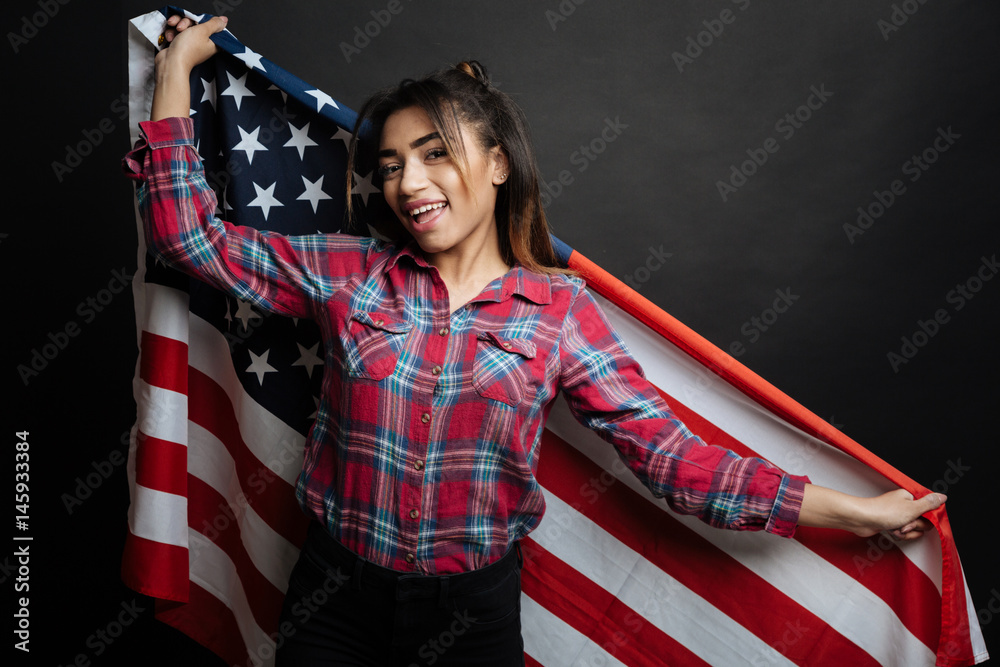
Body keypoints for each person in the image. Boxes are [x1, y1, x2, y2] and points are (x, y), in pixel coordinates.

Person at [125, 14, 947, 667]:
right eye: (387, 165)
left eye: (435, 154)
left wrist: (847, 509)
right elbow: (189, 240)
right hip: (333, 599)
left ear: (496, 164)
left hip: (469, 622)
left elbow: (674, 458)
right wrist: (174, 73)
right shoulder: (348, 272)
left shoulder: (560, 315)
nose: (407, 183)